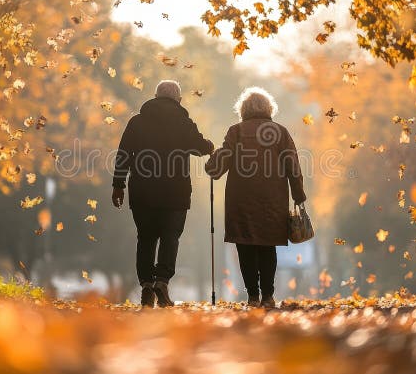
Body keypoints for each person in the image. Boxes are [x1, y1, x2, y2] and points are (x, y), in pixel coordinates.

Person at [112, 80, 213, 308]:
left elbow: (123, 155)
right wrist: (209, 145)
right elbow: (199, 147)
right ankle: (162, 281)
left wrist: (118, 185)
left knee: (145, 238)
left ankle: (146, 285)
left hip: (142, 193)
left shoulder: (137, 122)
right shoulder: (183, 122)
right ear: (178, 100)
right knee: (170, 236)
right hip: (175, 194)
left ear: (156, 97)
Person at [205, 87, 306, 308]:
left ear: (243, 109)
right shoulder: (280, 132)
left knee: (245, 246)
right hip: (273, 200)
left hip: (241, 200)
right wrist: (298, 195)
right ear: (269, 108)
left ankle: (252, 296)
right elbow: (293, 166)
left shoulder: (236, 131)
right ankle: (268, 296)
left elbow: (221, 163)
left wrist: (213, 164)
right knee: (268, 247)